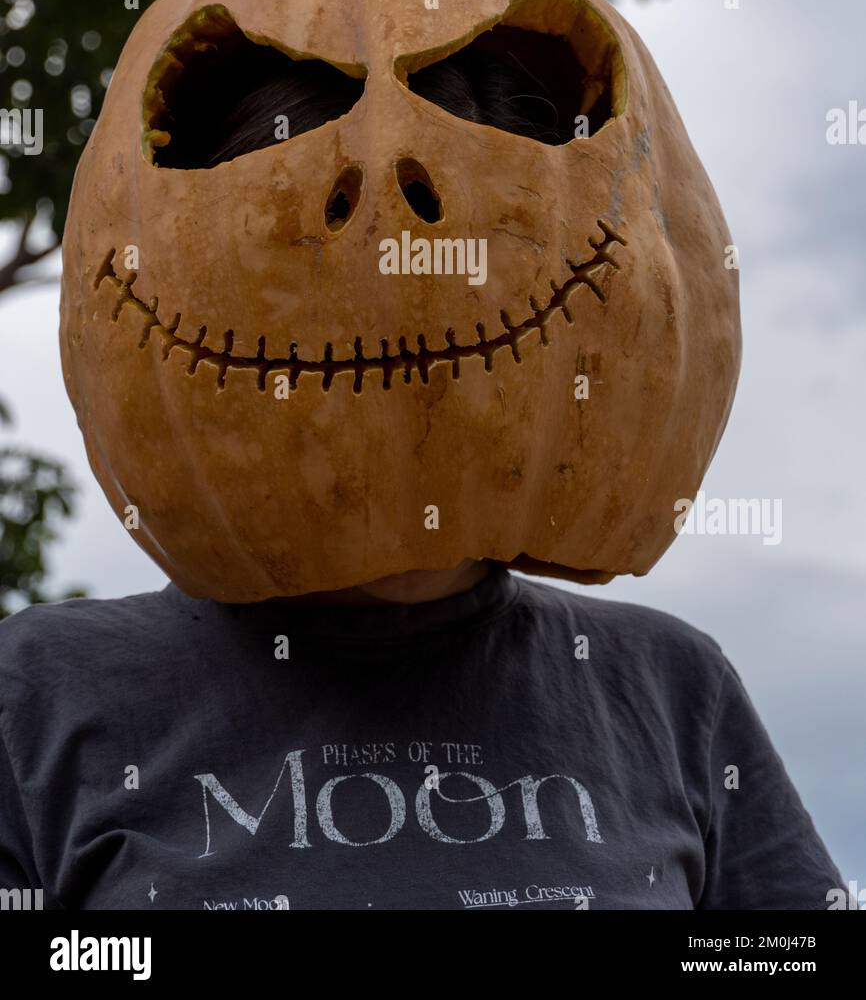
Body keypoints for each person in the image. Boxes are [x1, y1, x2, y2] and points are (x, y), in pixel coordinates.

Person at [0, 45, 845, 912]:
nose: (397, 303)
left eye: (463, 273)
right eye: (305, 278)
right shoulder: (40, 695)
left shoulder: (672, 693)